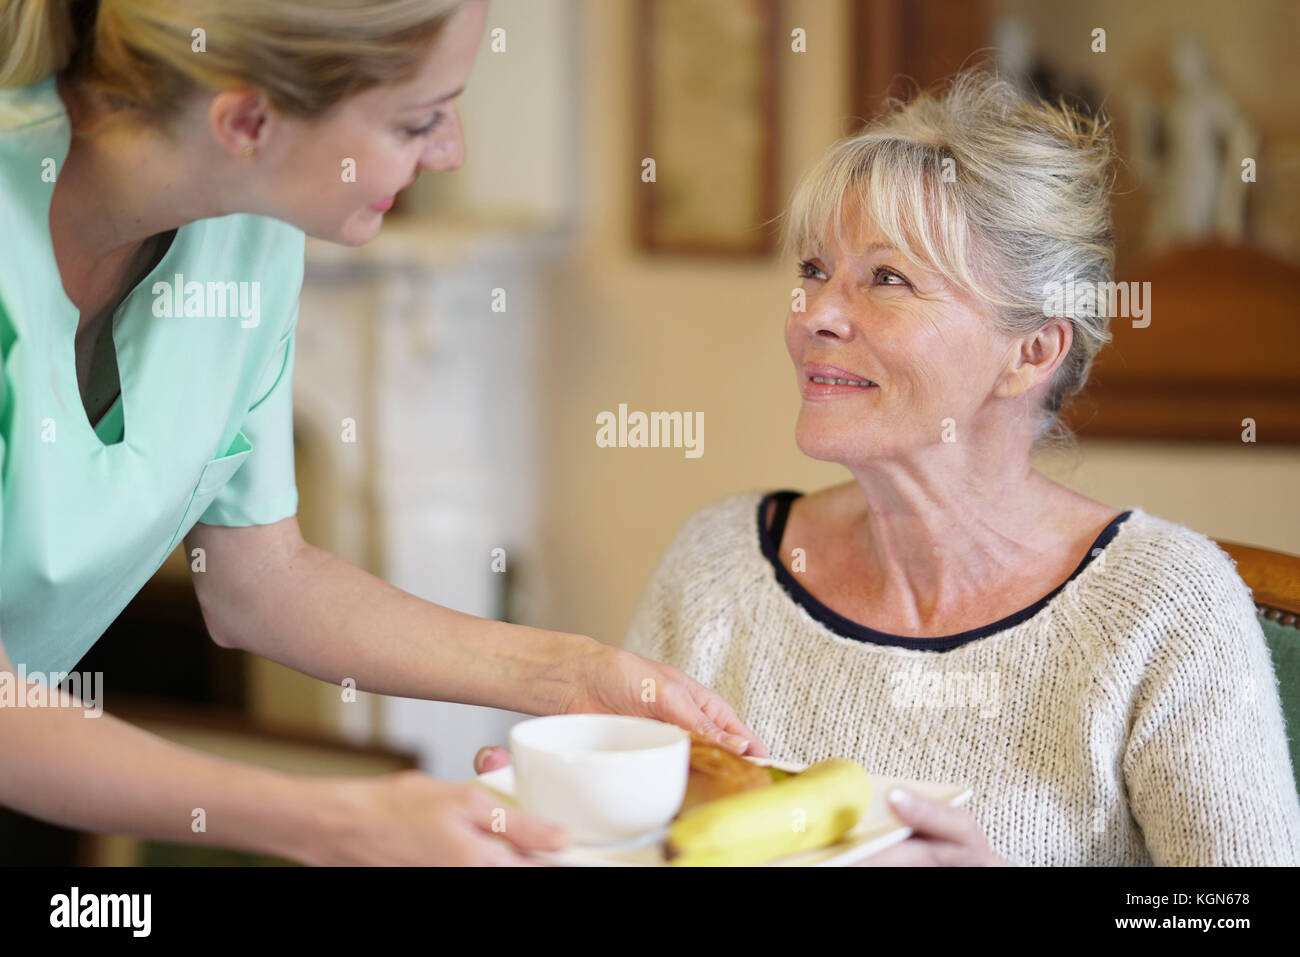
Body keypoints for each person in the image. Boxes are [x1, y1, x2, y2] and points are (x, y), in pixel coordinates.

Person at [0, 0, 763, 867]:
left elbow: (260, 580)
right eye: (417, 120)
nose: (451, 151)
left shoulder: (248, 228)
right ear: (247, 120)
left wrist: (569, 671)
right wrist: (340, 823)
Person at [613, 69, 1300, 865]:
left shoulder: (1166, 610)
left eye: (888, 278)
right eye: (813, 270)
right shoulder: (718, 563)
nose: (818, 316)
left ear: (1031, 351)